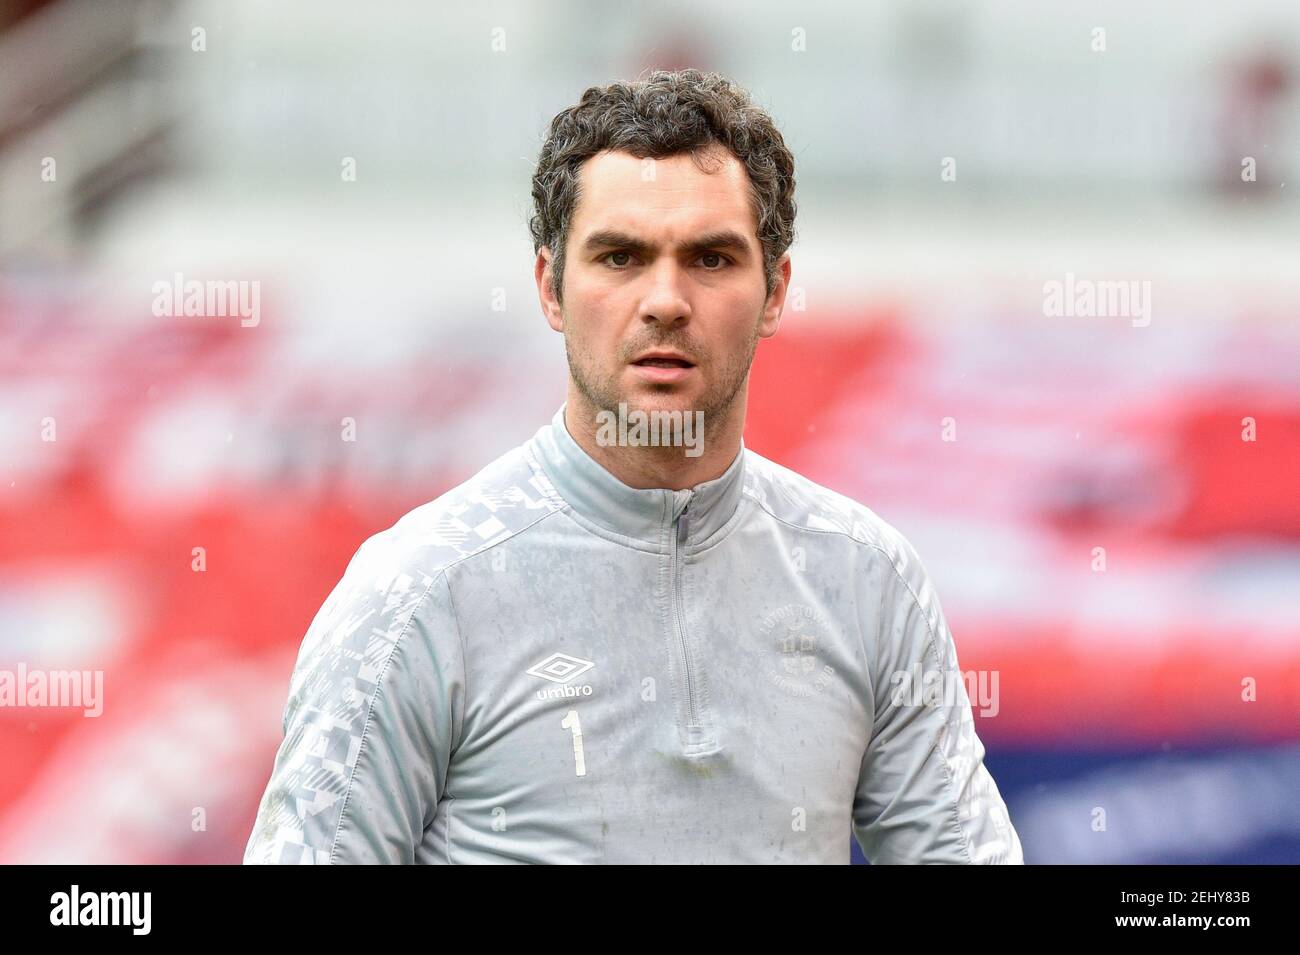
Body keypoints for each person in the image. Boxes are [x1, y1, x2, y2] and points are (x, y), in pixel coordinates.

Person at [243, 68, 1023, 864]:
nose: (664, 300)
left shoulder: (866, 582)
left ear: (775, 290)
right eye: (620, 257)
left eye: (711, 259)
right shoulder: (415, 594)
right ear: (550, 286)